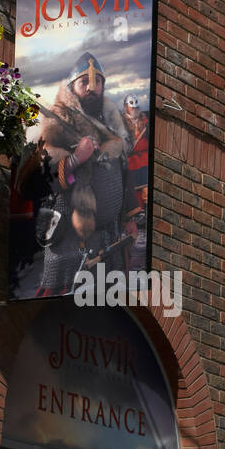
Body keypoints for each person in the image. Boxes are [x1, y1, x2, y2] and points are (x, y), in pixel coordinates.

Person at [33, 51, 135, 293]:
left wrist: (129, 217)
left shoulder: (111, 125)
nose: (92, 87)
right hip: (70, 242)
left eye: (98, 81)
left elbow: (123, 172)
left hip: (110, 240)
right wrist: (76, 158)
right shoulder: (55, 123)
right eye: (84, 81)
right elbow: (40, 177)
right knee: (58, 315)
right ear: (71, 87)